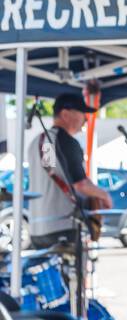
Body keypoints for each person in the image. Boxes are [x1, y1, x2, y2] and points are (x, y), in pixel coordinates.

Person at [26, 92, 112, 250]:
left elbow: (52, 172)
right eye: (82, 114)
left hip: (37, 227)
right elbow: (80, 185)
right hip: (62, 226)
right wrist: (104, 195)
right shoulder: (65, 141)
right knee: (70, 274)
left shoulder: (40, 141)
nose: (86, 120)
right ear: (65, 114)